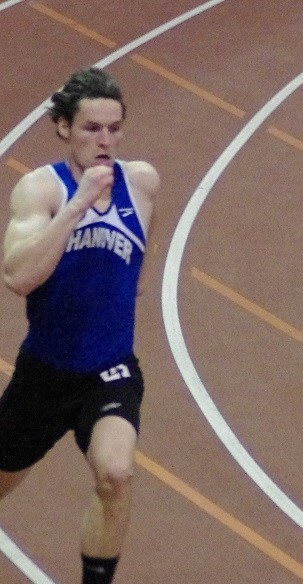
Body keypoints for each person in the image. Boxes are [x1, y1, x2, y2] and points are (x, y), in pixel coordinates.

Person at [0, 67, 159, 584]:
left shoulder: (143, 184)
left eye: (114, 128)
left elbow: (135, 273)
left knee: (116, 473)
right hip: (45, 373)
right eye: (92, 128)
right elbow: (19, 277)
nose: (105, 141)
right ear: (64, 127)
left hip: (109, 368)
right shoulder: (40, 190)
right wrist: (77, 206)